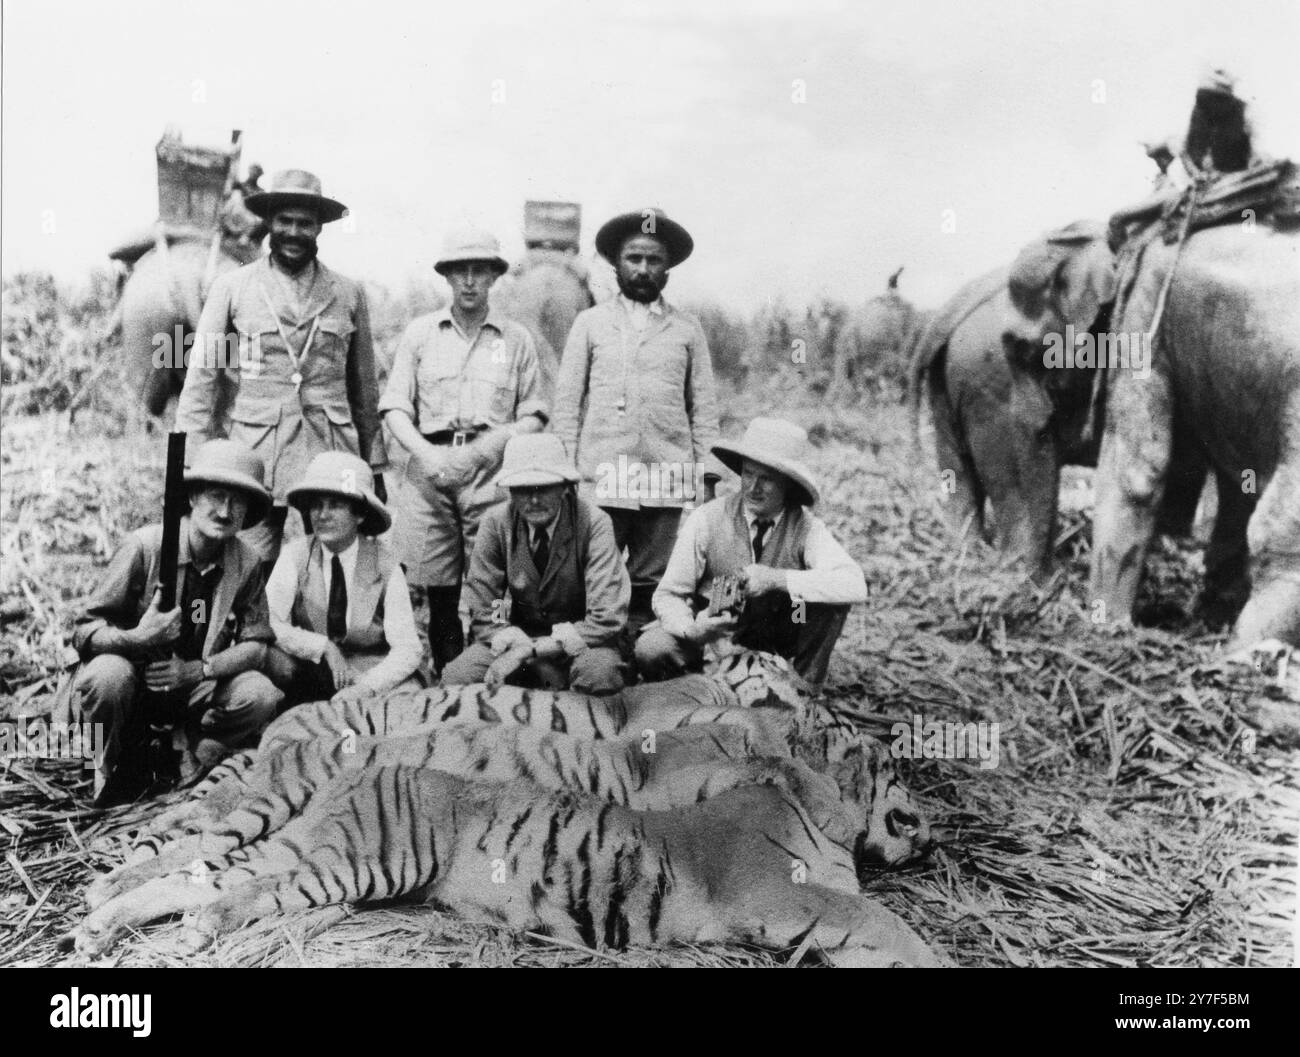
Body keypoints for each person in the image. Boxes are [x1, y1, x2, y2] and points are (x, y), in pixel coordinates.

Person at [176, 169, 386, 566]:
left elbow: (364, 390)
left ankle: (319, 630)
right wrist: (192, 460)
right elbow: (202, 379)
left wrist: (373, 467)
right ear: (269, 223)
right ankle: (249, 629)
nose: (293, 232)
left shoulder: (348, 293)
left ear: (319, 228)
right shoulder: (232, 288)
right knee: (246, 564)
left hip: (330, 449)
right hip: (255, 451)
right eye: (284, 222)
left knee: (332, 563)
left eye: (304, 224)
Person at [72, 440, 283, 806]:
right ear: (193, 497)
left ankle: (192, 749)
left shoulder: (246, 561)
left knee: (259, 693)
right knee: (108, 676)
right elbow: (84, 632)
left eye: (237, 501)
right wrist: (137, 638)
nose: (224, 510)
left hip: (189, 687)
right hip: (131, 680)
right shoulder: (145, 547)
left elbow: (257, 643)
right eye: (215, 496)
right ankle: (103, 766)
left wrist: (198, 670)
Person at [380, 226, 548, 675]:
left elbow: (534, 414)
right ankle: (447, 680)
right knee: (439, 590)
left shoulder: (516, 340)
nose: (470, 281)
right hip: (430, 470)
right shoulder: (420, 334)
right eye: (460, 272)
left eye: (480, 271)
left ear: (494, 277)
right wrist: (426, 454)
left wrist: (486, 448)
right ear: (447, 278)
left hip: (490, 471)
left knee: (491, 582)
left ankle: (487, 675)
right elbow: (394, 407)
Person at [551, 207, 720, 633]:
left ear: (668, 269)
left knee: (654, 583)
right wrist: (566, 471)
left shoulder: (687, 329)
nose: (643, 269)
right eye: (634, 259)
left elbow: (703, 409)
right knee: (595, 576)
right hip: (603, 473)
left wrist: (707, 477)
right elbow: (568, 406)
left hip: (667, 476)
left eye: (654, 260)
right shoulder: (590, 324)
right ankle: (594, 666)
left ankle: (644, 671)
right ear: (615, 264)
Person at [635, 417, 866, 686]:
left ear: (787, 484)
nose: (753, 488)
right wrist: (692, 629)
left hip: (784, 627)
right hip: (713, 635)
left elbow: (854, 582)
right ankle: (700, 693)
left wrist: (776, 579)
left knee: (826, 605)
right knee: (652, 648)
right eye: (748, 474)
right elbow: (668, 595)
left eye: (766, 479)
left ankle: (802, 692)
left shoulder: (806, 528)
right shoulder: (707, 519)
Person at [441, 433, 630, 694]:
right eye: (522, 489)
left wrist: (535, 649)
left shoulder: (593, 523)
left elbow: (605, 616)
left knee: (599, 675)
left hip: (582, 641)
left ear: (565, 487)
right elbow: (488, 600)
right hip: (518, 636)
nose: (533, 500)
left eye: (544, 488)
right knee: (458, 677)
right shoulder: (496, 523)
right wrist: (505, 632)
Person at [264, 452, 422, 707]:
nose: (322, 515)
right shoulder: (296, 554)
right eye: (317, 505)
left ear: (359, 514)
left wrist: (366, 687)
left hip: (368, 672)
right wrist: (322, 646)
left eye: (335, 505)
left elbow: (408, 648)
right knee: (271, 661)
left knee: (407, 701)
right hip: (313, 670)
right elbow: (270, 622)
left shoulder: (386, 564)